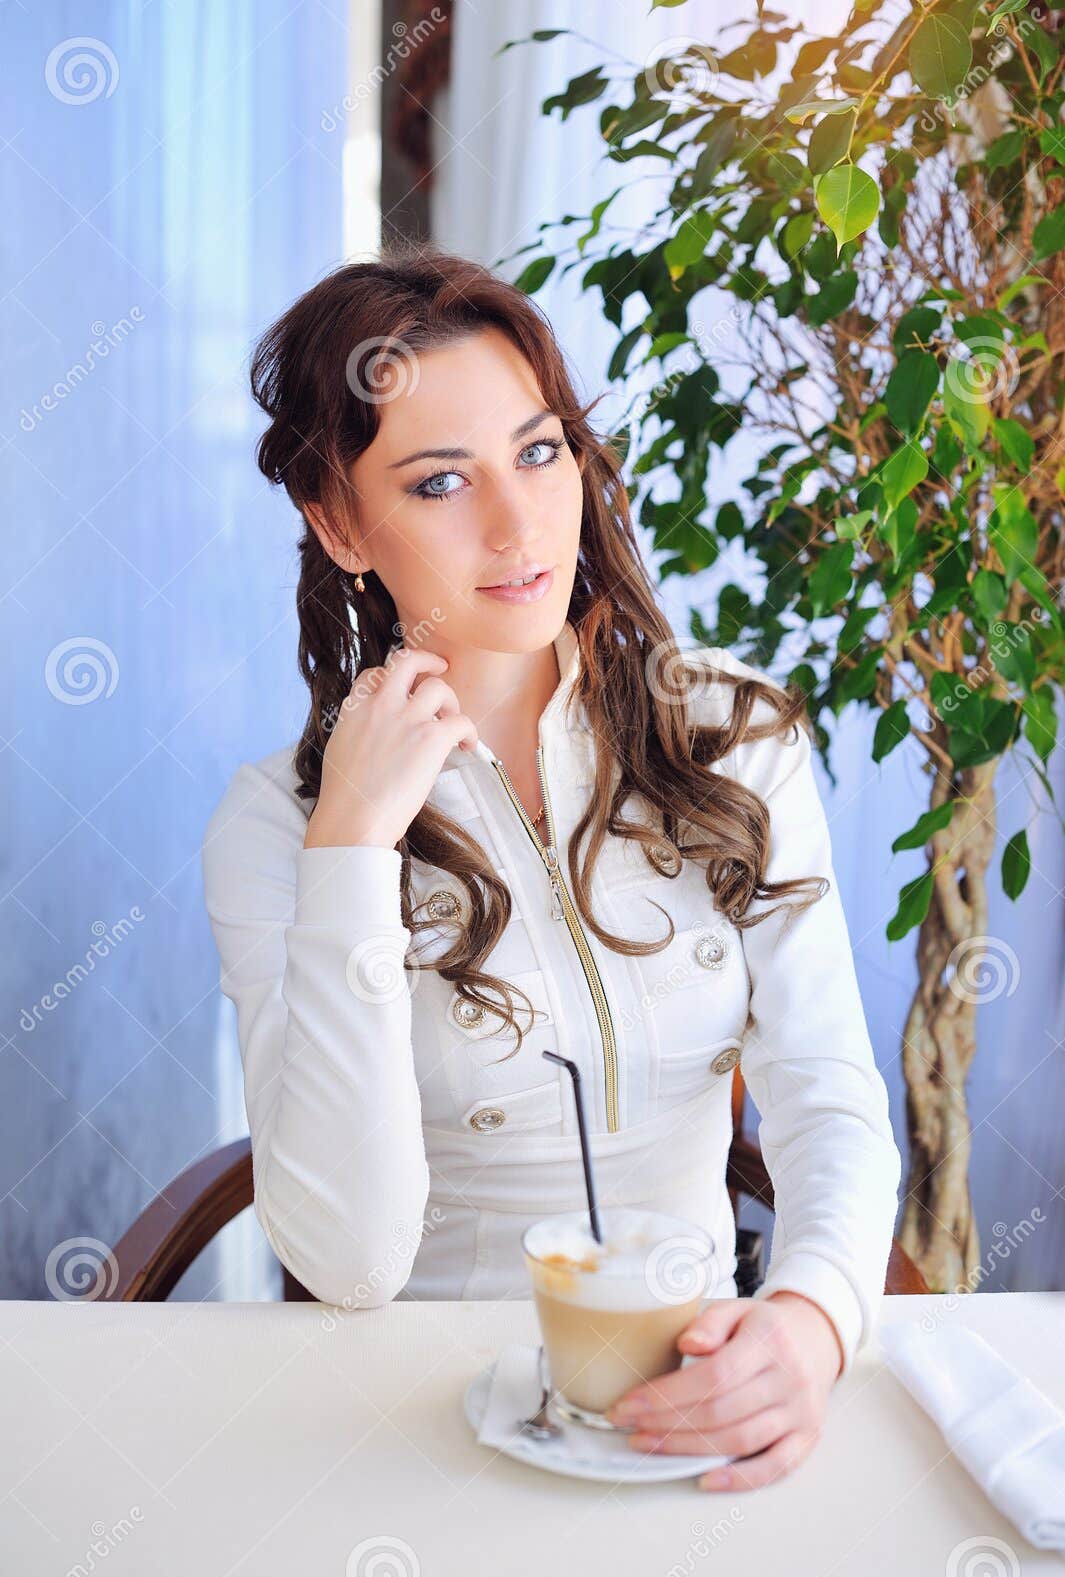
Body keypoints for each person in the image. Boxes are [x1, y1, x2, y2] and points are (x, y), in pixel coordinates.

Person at [202, 244, 902, 1493]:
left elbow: (826, 1094)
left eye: (539, 452)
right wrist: (353, 849)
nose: (520, 523)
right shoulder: (277, 829)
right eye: (437, 482)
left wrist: (811, 1319)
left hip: (696, 1391)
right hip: (405, 1431)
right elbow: (353, 1258)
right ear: (338, 522)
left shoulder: (735, 743)